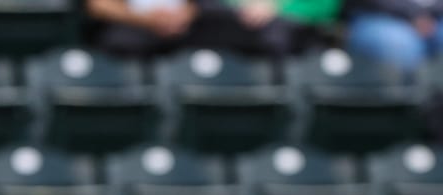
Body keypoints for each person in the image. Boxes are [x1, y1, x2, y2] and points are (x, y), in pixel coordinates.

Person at [86, 0, 334, 59]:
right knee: (121, 44)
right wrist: (149, 21)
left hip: (190, 22)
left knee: (267, 36)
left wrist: (188, 12)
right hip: (134, 25)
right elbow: (98, 6)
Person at [345, 0, 443, 72]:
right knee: (402, 47)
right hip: (377, 13)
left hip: (434, 14)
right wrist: (414, 13)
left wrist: (427, 14)